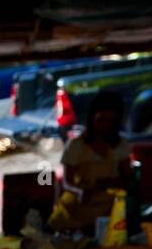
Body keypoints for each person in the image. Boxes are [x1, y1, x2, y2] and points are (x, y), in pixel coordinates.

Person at [49, 90, 132, 234]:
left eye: (110, 121)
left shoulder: (121, 144)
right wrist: (81, 191)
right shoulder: (76, 144)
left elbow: (128, 178)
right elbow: (66, 182)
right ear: (92, 118)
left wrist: (110, 183)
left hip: (109, 203)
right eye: (101, 120)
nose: (105, 125)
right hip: (79, 201)